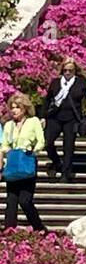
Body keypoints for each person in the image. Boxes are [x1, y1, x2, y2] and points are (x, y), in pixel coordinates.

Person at [1, 94, 46, 230]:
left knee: (25, 200)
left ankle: (39, 228)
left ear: (24, 109)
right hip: (14, 162)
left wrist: (33, 150)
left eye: (17, 108)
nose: (14, 111)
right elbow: (4, 144)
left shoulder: (34, 121)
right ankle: (9, 231)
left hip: (27, 160)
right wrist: (8, 151)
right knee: (11, 200)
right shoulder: (9, 125)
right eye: (12, 108)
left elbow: (41, 141)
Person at [42, 58, 86, 182]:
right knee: (47, 143)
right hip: (55, 117)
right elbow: (47, 99)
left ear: (75, 71)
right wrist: (43, 116)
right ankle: (57, 162)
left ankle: (65, 173)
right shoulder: (56, 82)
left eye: (70, 70)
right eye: (65, 70)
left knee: (68, 146)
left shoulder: (82, 83)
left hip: (72, 118)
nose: (67, 73)